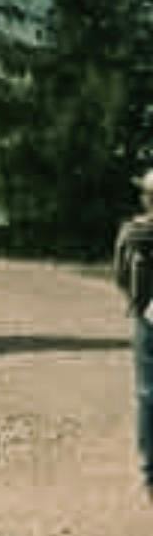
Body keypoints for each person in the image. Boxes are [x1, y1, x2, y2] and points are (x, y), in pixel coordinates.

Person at [113, 162, 153, 500]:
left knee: (147, 394)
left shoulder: (132, 233)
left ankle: (150, 470)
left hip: (148, 318)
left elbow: (120, 276)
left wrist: (136, 303)